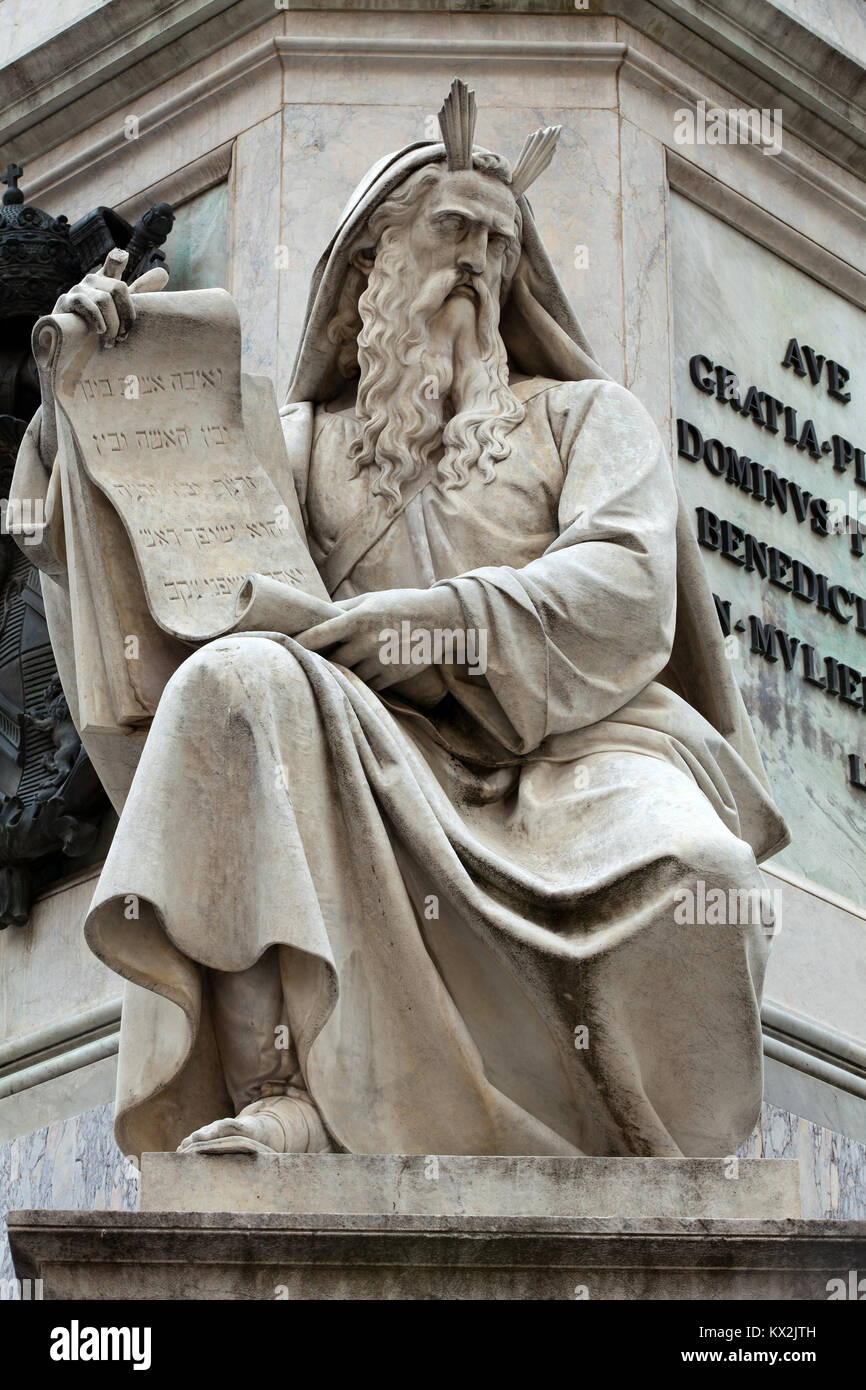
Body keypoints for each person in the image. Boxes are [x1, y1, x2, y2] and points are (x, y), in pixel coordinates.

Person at [13, 81, 788, 1161]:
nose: (476, 261)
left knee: (699, 872)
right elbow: (156, 582)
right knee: (233, 687)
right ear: (368, 267)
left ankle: (642, 1153)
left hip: (575, 755)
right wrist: (84, 403)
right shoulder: (292, 446)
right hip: (360, 743)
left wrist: (436, 622)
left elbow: (623, 585)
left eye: (500, 247)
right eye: (452, 230)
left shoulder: (582, 419)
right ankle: (287, 1084)